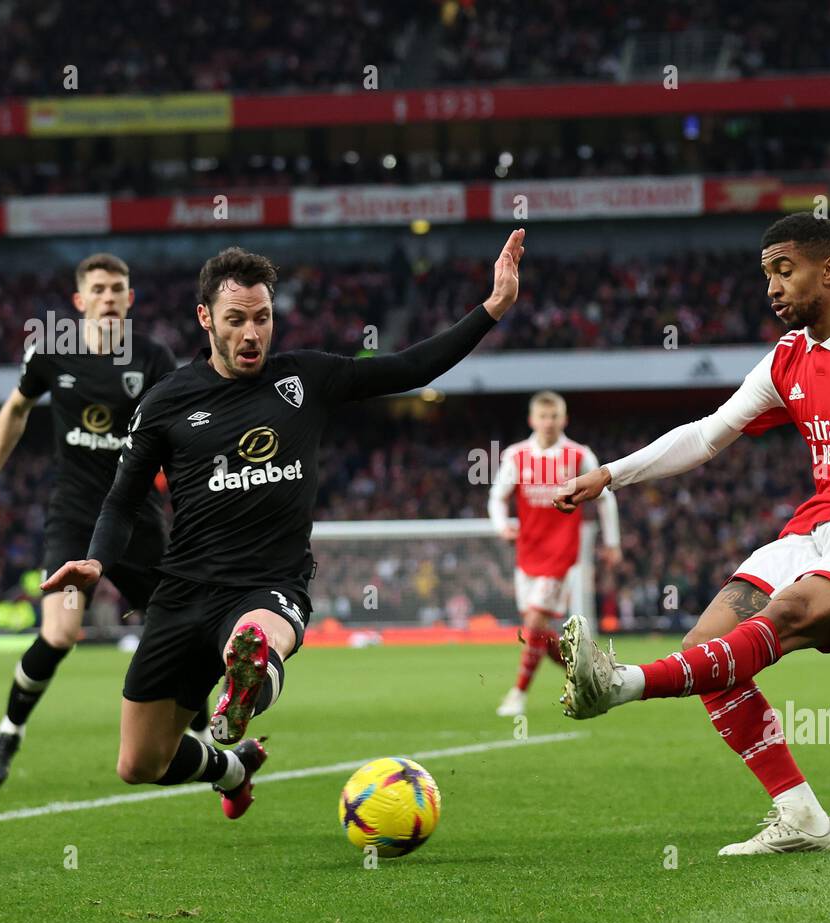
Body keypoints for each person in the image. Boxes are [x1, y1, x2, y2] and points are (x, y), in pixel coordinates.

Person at [41, 229, 525, 819]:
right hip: (182, 593)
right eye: (238, 319)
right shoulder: (165, 402)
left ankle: (249, 681)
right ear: (205, 318)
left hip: (268, 584)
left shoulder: (306, 379)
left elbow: (408, 367)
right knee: (139, 763)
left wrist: (492, 308)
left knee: (256, 639)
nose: (252, 334)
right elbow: (120, 502)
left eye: (264, 318)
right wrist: (96, 559)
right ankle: (232, 766)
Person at [554, 214, 830, 855]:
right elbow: (708, 434)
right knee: (707, 644)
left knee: (789, 613)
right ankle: (804, 819)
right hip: (814, 529)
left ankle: (620, 684)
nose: (773, 288)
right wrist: (610, 475)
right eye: (767, 275)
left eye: (784, 271)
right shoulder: (788, 358)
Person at [0, 253, 180, 787]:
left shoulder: (153, 358)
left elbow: (183, 434)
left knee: (175, 632)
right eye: (99, 289)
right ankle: (10, 729)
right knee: (60, 632)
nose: (109, 297)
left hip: (137, 518)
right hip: (75, 515)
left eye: (118, 288)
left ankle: (206, 743)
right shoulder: (51, 353)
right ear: (80, 300)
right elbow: (16, 409)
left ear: (130, 299)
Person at [488, 390, 620, 717]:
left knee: (534, 621)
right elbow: (496, 496)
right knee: (537, 633)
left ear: (564, 419)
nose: (548, 423)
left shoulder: (578, 455)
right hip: (527, 554)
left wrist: (612, 542)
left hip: (561, 554)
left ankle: (517, 694)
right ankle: (587, 675)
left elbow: (606, 497)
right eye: (543, 417)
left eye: (554, 416)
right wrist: (502, 525)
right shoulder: (516, 456)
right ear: (533, 420)